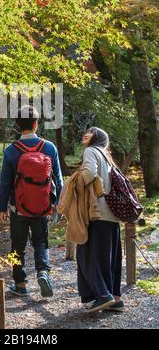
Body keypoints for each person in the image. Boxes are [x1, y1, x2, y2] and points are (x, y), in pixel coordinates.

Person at [0, 105, 63, 297]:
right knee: (41, 242)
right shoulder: (49, 147)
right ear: (36, 123)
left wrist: (2, 207)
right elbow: (58, 179)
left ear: (18, 125)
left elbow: (5, 182)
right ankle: (43, 272)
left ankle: (20, 284)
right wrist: (57, 204)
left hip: (18, 208)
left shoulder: (11, 151)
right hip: (43, 206)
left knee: (17, 246)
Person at [76, 126, 124, 313]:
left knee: (87, 255)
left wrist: (75, 187)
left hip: (96, 213)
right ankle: (116, 299)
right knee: (110, 258)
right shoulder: (107, 156)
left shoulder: (90, 151)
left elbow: (89, 173)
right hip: (112, 215)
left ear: (95, 138)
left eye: (89, 132)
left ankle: (103, 296)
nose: (85, 134)